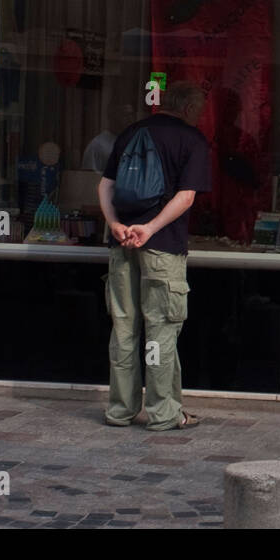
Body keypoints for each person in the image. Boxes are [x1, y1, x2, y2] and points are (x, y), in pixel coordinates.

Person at [97, 81, 211, 431]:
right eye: (200, 108)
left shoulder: (131, 132)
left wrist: (116, 224)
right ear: (190, 109)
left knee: (124, 329)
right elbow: (186, 197)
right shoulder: (192, 140)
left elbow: (105, 185)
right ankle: (163, 413)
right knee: (161, 332)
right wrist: (150, 227)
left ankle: (120, 410)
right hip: (162, 249)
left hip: (122, 246)